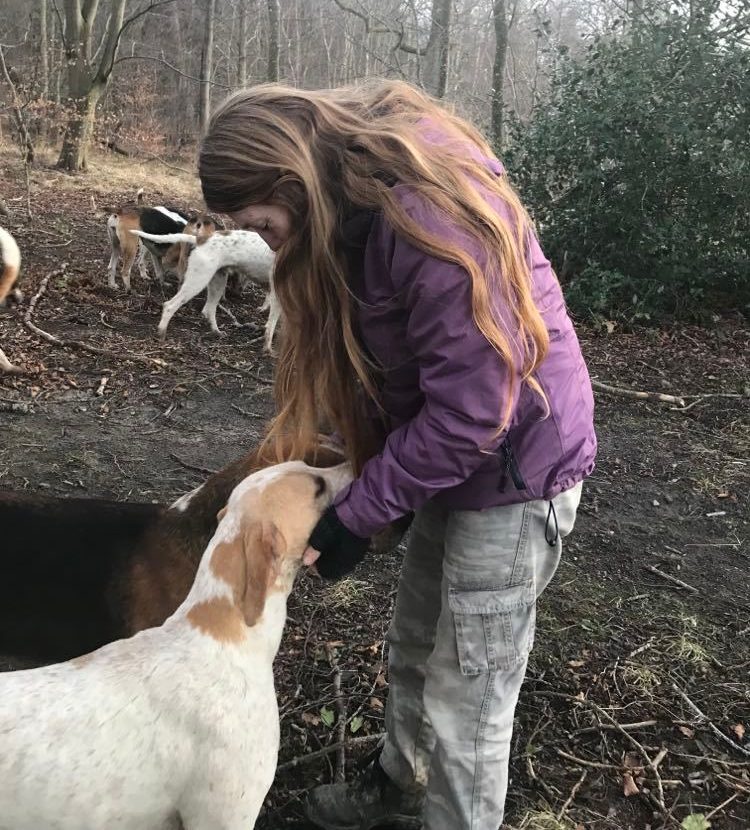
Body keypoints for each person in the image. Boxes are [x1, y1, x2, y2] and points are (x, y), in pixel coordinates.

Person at [198, 80, 597, 830]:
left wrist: (364, 508)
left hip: (515, 467)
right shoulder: (346, 214)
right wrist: (361, 469)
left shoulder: (426, 217)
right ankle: (398, 783)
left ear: (292, 181)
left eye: (262, 223)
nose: (267, 242)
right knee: (414, 640)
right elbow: (397, 366)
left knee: (469, 689)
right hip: (446, 453)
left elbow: (477, 406)